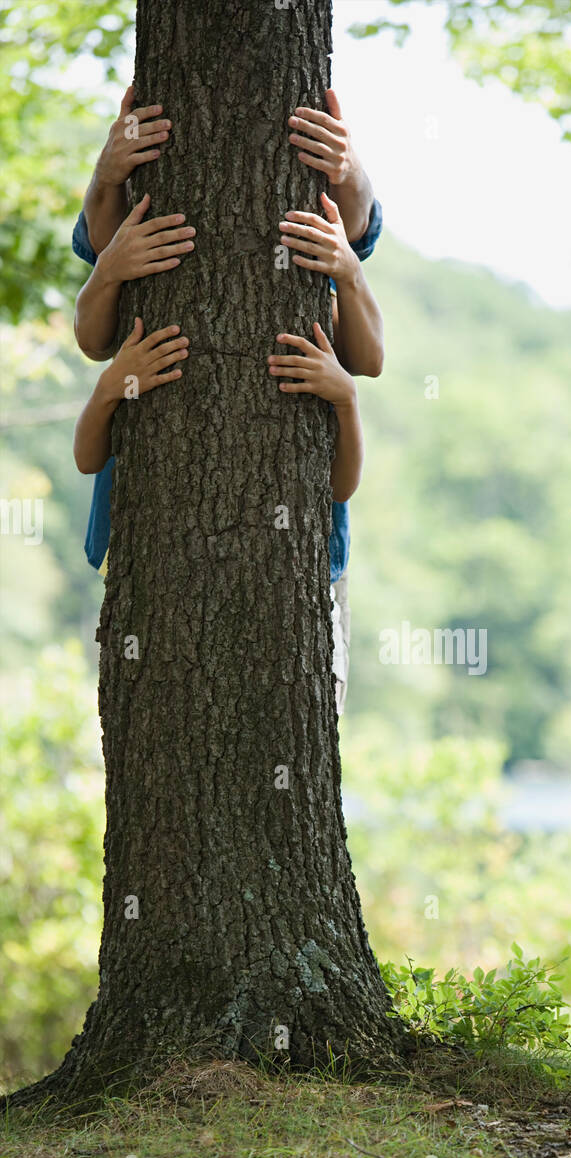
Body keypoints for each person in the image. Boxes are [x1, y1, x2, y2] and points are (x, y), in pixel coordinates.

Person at [72, 85, 383, 711]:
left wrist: (348, 238)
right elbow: (91, 339)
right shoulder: (126, 259)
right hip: (159, 561)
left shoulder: (327, 290)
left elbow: (368, 357)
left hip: (296, 575)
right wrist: (108, 239)